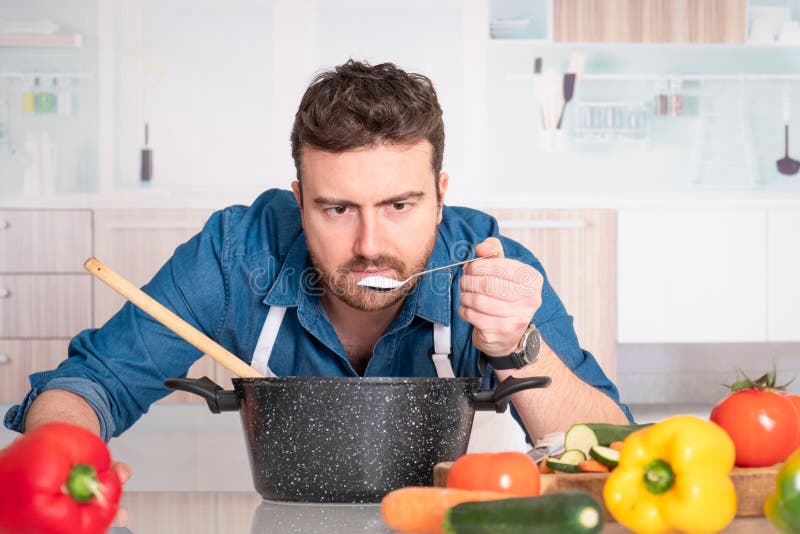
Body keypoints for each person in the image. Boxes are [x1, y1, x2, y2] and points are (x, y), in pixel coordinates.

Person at [5, 60, 631, 485]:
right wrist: (60, 466)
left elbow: (610, 449)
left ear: (441, 196)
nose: (369, 244)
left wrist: (519, 349)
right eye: (337, 209)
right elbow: (93, 383)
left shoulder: (491, 263)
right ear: (299, 199)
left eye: (400, 206)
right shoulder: (234, 252)